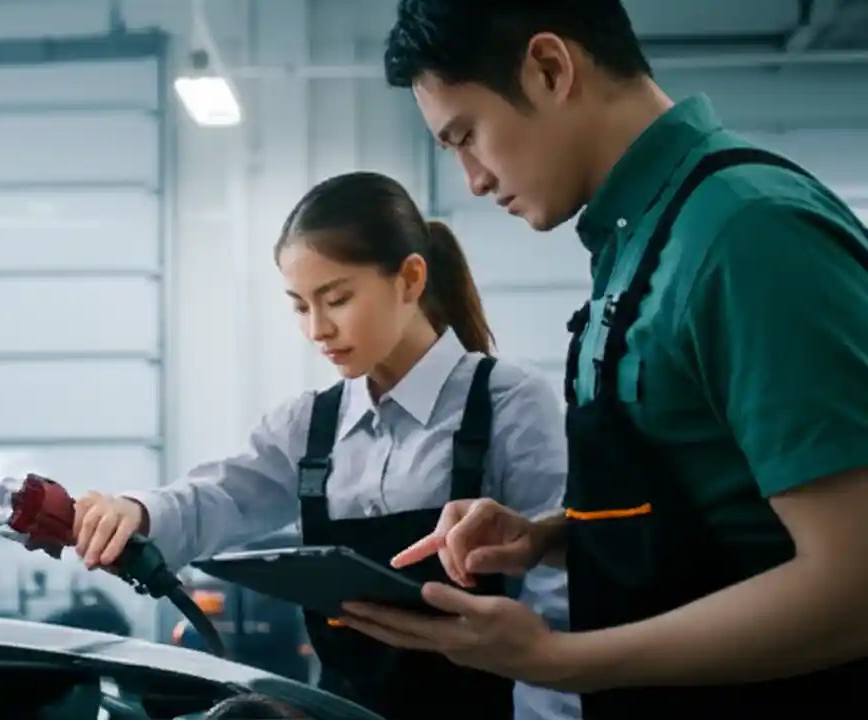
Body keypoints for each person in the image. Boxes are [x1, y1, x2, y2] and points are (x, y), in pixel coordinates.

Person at [336, 1, 868, 717]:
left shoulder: (747, 234)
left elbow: (853, 583)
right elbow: (720, 509)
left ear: (550, 68)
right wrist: (552, 536)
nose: (473, 180)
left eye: (467, 136)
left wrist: (557, 661)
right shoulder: (642, 242)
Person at [71, 171, 578, 719]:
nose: (317, 329)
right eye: (299, 306)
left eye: (336, 299)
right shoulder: (310, 425)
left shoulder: (508, 402)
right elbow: (219, 497)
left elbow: (558, 595)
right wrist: (136, 511)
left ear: (410, 279)